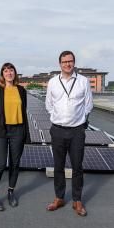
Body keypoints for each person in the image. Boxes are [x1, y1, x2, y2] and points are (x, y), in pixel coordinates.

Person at [45, 51, 93, 216]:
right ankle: (59, 198)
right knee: (58, 166)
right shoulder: (52, 82)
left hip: (76, 131)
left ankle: (77, 201)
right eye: (64, 62)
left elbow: (88, 105)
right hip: (57, 129)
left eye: (70, 61)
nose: (67, 64)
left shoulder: (83, 81)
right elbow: (49, 104)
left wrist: (80, 123)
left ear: (74, 62)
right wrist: (56, 117)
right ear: (60, 64)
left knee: (77, 167)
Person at [0, 62, 30, 211]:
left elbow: (24, 111)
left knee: (15, 163)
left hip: (17, 130)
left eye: (11, 70)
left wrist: (25, 132)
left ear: (15, 73)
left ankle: (11, 192)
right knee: (0, 163)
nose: (9, 73)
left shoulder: (21, 90)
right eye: (5, 71)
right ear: (2, 74)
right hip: (0, 131)